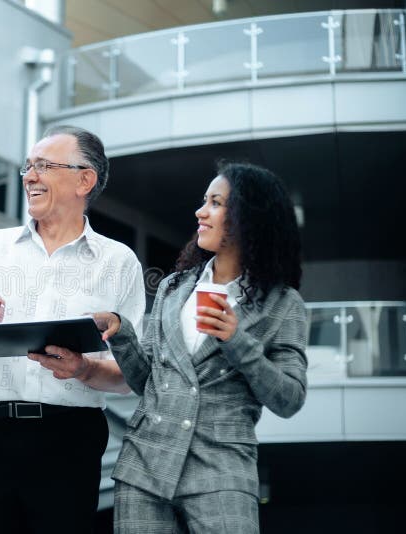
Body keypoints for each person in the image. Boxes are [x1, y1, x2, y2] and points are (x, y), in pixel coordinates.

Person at [0, 125, 146, 534]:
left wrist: (83, 369)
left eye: (45, 166)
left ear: (85, 180)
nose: (30, 176)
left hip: (69, 439)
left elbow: (130, 376)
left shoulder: (118, 263)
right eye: (28, 167)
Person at [94, 162, 307, 533]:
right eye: (203, 201)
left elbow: (289, 399)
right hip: (145, 467)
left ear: (249, 217)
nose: (200, 212)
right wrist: (123, 335)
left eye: (215, 203)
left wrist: (237, 341)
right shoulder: (173, 288)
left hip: (221, 469)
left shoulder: (283, 304)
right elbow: (151, 383)